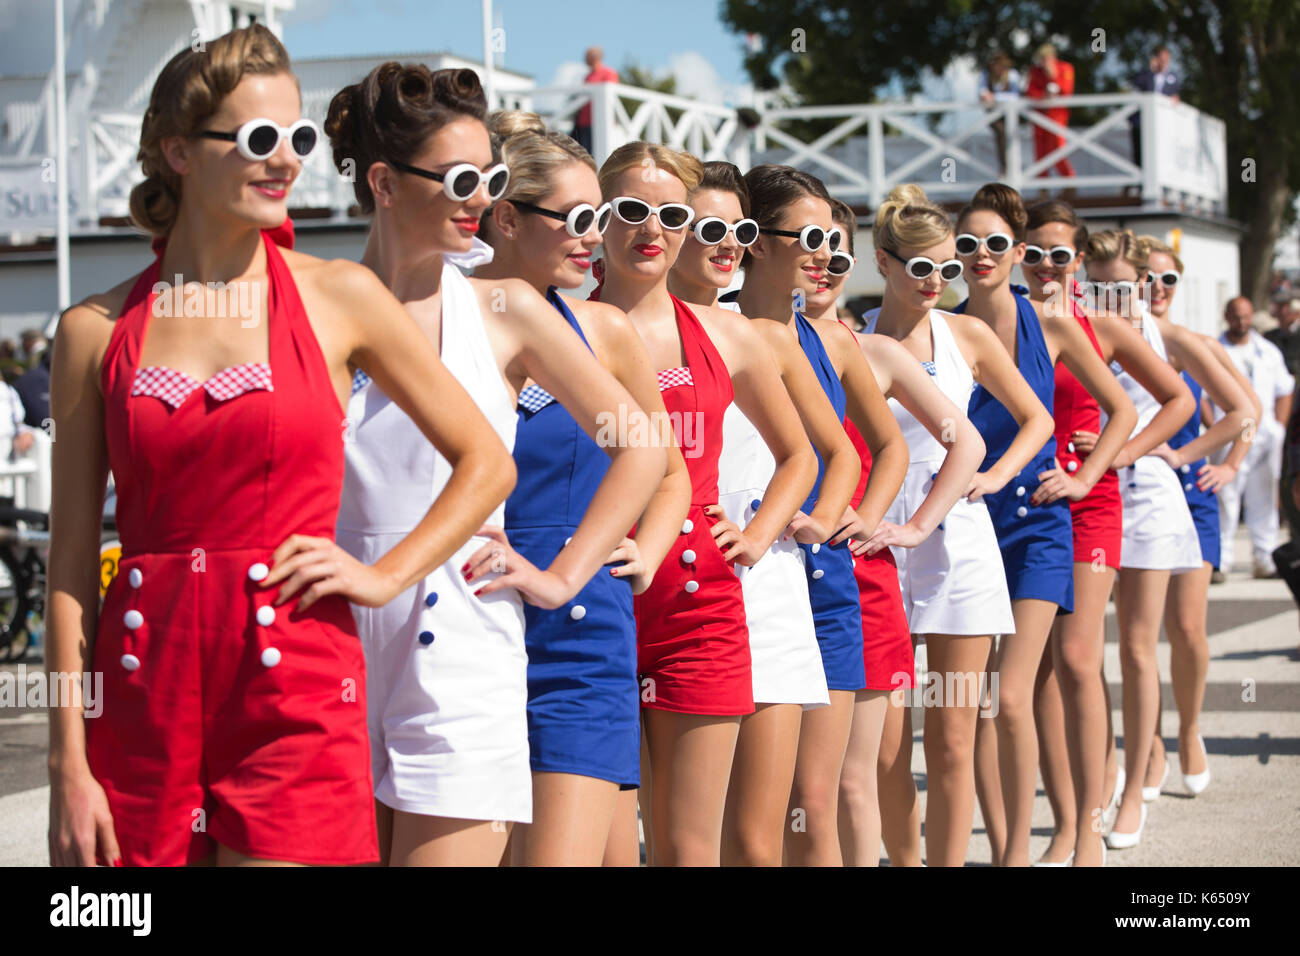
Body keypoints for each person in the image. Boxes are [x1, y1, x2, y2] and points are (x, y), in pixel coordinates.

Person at [47, 25, 517, 867]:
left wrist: (381, 575)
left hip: (295, 675)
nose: (287, 161)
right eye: (259, 139)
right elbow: (72, 567)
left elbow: (486, 460)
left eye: (298, 139)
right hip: (140, 689)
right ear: (179, 153)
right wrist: (66, 761)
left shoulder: (343, 297)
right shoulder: (93, 330)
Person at [326, 67, 667, 867]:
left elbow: (642, 444)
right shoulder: (311, 299)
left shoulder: (504, 310)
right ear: (382, 181)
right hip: (333, 642)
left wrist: (560, 576)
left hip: (463, 647)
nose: (481, 197)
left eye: (491, 178)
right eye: (462, 179)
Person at [471, 111, 689, 866]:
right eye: (574, 219)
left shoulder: (605, 330)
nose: (593, 236)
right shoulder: (443, 316)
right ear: (505, 217)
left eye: (597, 217)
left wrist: (639, 558)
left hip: (580, 624)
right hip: (466, 614)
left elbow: (665, 469)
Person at [594, 141, 817, 866]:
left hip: (699, 602)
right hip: (592, 599)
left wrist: (754, 536)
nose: (650, 229)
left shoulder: (729, 334)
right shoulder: (556, 324)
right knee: (602, 848)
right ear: (599, 217)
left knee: (690, 848)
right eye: (631, 210)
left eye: (670, 214)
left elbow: (803, 455)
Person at [667, 162, 862, 867]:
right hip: (668, 587)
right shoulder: (625, 326)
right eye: (711, 228)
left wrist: (775, 529)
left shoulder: (770, 338)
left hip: (766, 587)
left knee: (760, 833)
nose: (727, 244)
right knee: (681, 831)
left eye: (735, 230)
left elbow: (829, 456)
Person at [863, 183, 1055, 866]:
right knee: (884, 746)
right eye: (922, 267)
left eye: (948, 269)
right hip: (876, 543)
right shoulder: (852, 339)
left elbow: (1039, 418)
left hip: (959, 545)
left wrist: (999, 477)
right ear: (882, 261)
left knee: (952, 738)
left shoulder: (965, 333)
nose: (938, 282)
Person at [954, 184, 1136, 868]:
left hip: (1038, 526)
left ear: (1017, 252)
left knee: (1013, 695)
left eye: (995, 244)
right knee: (972, 709)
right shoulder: (941, 328)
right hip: (968, 529)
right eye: (966, 244)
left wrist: (1086, 479)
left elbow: (1122, 411)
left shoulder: (1052, 325)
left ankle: (1083, 832)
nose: (980, 256)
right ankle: (1012, 852)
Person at [734, 166, 907, 868]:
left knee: (813, 800)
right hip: (730, 581)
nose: (823, 254)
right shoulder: (713, 326)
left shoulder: (827, 340)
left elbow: (876, 448)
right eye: (808, 239)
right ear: (754, 240)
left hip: (821, 583)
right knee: (742, 811)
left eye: (832, 244)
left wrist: (845, 515)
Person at [807, 198, 986, 867]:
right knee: (842, 770)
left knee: (922, 746)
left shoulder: (872, 352)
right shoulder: (759, 339)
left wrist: (906, 524)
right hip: (791, 571)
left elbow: (960, 443)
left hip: (883, 563)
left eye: (836, 255)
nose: (823, 266)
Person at [1019, 200, 1188, 866]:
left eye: (1059, 255)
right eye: (1033, 254)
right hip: (1026, 507)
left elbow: (1179, 400)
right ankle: (1065, 821)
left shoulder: (1105, 326)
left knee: (1080, 657)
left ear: (1080, 261)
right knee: (1032, 677)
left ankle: (1099, 820)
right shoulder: (1001, 323)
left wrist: (1113, 457)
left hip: (1091, 506)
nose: (1045, 266)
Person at [1083, 229, 1248, 851]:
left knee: (1141, 644)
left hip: (1149, 494)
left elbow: (1240, 410)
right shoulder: (1076, 325)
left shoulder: (1171, 337)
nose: (1118, 294)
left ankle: (1164, 755)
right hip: (1088, 493)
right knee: (1082, 651)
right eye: (1100, 282)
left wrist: (1191, 457)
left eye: (1128, 283)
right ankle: (1119, 762)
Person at [1144, 235, 1260, 804]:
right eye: (1147, 277)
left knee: (1186, 628)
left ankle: (1189, 729)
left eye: (1167, 279)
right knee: (1135, 638)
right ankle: (1151, 746)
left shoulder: (1194, 342)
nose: (1156, 288)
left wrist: (1225, 464)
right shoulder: (1110, 337)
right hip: (1130, 491)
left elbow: (1249, 411)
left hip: (1187, 491)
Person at [1215, 296, 1294, 577]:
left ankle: (1265, 556)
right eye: (1236, 316)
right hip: (1229, 433)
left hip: (1264, 435)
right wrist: (1213, 427)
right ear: (1226, 316)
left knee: (1264, 495)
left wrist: (1279, 427)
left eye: (1247, 316)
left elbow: (1285, 389)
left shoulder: (1267, 351)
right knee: (1226, 496)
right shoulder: (1216, 349)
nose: (1242, 322)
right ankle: (1221, 559)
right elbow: (1199, 394)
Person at [1025, 43, 1076, 189]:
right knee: (1041, 154)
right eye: (1041, 58)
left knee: (1058, 150)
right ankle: (1043, 189)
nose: (1044, 61)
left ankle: (1069, 184)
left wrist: (1052, 76)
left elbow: (1067, 90)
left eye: (1046, 58)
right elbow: (1030, 92)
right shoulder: (1035, 72)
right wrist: (1043, 96)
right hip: (1040, 119)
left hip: (1058, 117)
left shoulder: (1065, 68)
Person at [1129, 45, 1180, 170]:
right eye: (1161, 59)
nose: (1164, 63)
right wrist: (1151, 70)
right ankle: (1138, 183)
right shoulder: (1145, 75)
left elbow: (1176, 95)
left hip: (1162, 124)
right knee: (1139, 155)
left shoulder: (1173, 78)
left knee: (1160, 154)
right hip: (1141, 122)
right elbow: (1136, 86)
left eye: (1166, 60)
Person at [979, 52, 1021, 177]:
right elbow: (981, 92)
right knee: (1001, 133)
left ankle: (1010, 168)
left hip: (1010, 114)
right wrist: (985, 95)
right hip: (993, 114)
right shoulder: (986, 76)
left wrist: (995, 97)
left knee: (1010, 136)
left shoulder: (1012, 75)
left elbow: (1015, 96)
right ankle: (1005, 167)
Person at [571, 47, 619, 156]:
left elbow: (612, 98)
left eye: (587, 56)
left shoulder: (608, 73)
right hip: (584, 122)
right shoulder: (587, 76)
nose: (584, 59)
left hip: (599, 121)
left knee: (598, 153)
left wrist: (613, 118)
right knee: (584, 154)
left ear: (594, 57)